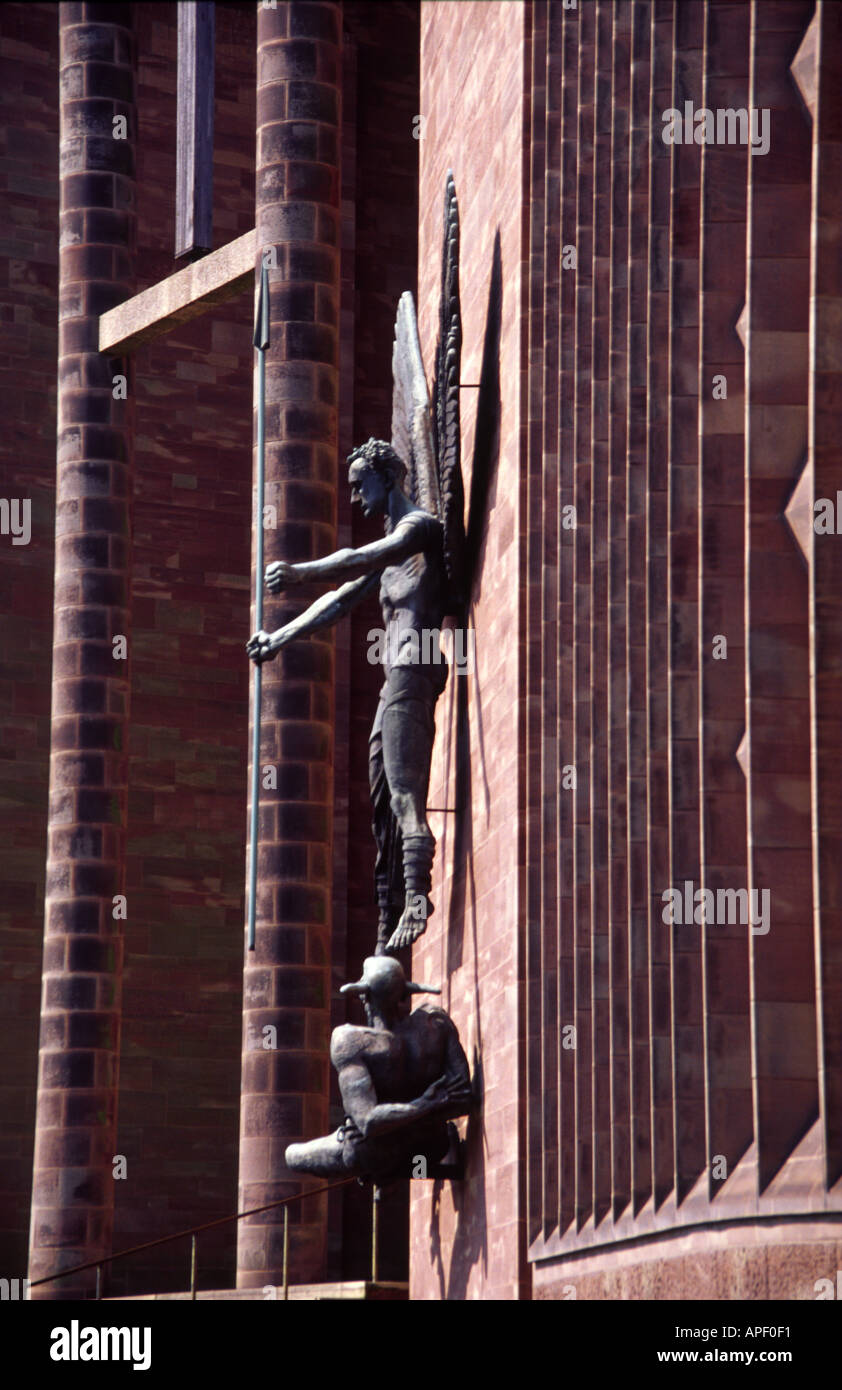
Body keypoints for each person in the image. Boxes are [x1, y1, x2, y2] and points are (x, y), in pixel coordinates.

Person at [247, 438, 450, 954]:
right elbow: (339, 601)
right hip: (394, 680)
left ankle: (418, 901)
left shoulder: (418, 529)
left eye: (361, 485)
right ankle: (390, 913)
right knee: (381, 802)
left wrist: (298, 572)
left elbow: (362, 554)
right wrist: (279, 638)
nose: (356, 496)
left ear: (388, 477)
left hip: (414, 668)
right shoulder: (393, 553)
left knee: (404, 794)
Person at [284, 956, 472, 1185]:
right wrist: (430, 1108)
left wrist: (424, 1104)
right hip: (431, 1147)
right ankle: (390, 1178)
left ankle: (383, 1175)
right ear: (405, 993)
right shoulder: (435, 1022)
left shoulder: (351, 1040)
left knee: (292, 1155)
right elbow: (463, 1097)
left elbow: (368, 1122)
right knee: (404, 1152)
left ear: (364, 995)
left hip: (371, 1154)